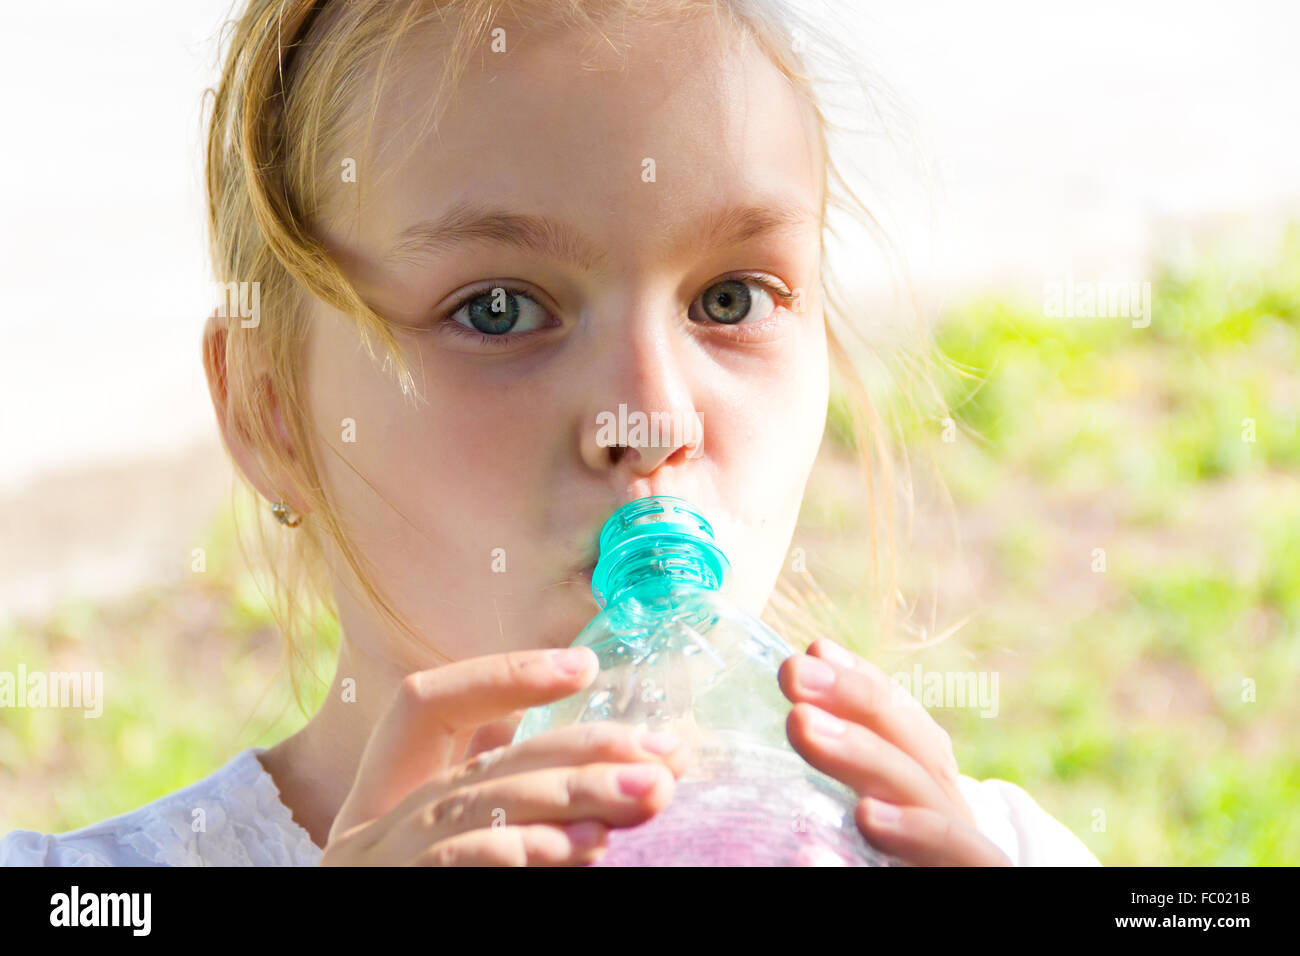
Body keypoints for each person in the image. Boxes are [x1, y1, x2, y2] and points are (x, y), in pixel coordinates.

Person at [1, 0, 1100, 866]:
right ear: (272, 410)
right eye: (498, 309)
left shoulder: (993, 853)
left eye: (729, 299)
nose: (651, 416)